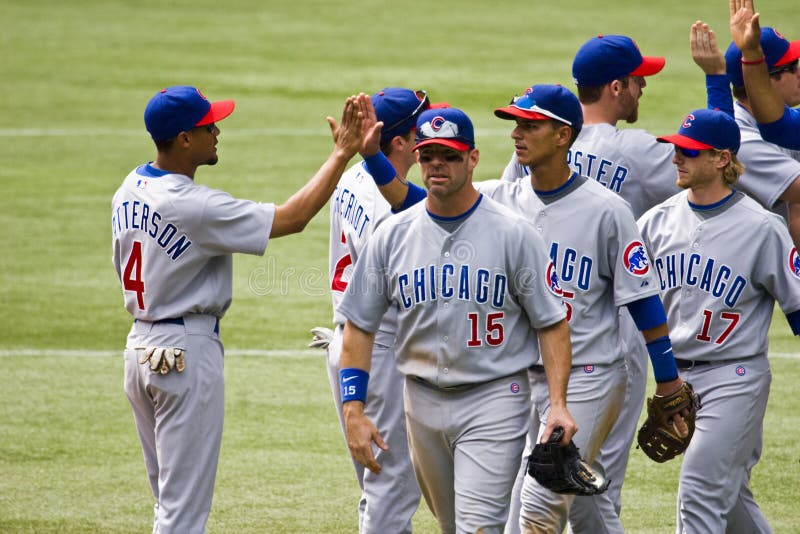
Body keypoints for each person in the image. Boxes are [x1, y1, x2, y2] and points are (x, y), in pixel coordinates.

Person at [498, 31, 729, 529]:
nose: (643, 90)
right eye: (639, 80)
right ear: (617, 86)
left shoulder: (573, 192)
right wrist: (717, 79)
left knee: (542, 503)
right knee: (590, 495)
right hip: (572, 355)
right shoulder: (638, 152)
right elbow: (717, 159)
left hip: (592, 364)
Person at [111, 86, 366, 533]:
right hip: (183, 354)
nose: (217, 131)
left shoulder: (129, 188)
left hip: (139, 348)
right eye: (209, 125)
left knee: (167, 504)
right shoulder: (190, 205)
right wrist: (341, 155)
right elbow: (292, 218)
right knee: (182, 512)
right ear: (184, 138)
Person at [337, 106, 577, 534]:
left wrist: (557, 404)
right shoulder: (393, 236)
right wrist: (353, 408)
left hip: (495, 398)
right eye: (428, 156)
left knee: (477, 527)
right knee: (452, 526)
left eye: (448, 156)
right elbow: (359, 324)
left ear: (473, 158)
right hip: (420, 400)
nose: (436, 166)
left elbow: (552, 323)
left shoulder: (514, 234)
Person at [639, 107, 800, 533]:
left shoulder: (762, 228)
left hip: (736, 378)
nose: (677, 158)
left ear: (722, 159)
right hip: (676, 381)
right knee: (731, 503)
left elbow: (798, 307)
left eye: (689, 152)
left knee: (699, 493)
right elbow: (628, 300)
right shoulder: (655, 222)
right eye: (676, 149)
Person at [323, 87, 429, 533]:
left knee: (377, 490)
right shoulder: (395, 213)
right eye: (421, 130)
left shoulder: (351, 179)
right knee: (391, 491)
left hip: (345, 345)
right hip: (377, 354)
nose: (431, 139)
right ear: (399, 142)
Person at [723, 20, 800, 248]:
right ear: (762, 81)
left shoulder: (788, 119)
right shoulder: (740, 140)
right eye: (792, 66)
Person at [730, 0, 800, 150]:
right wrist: (752, 56)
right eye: (792, 67)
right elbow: (779, 128)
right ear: (762, 80)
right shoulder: (745, 142)